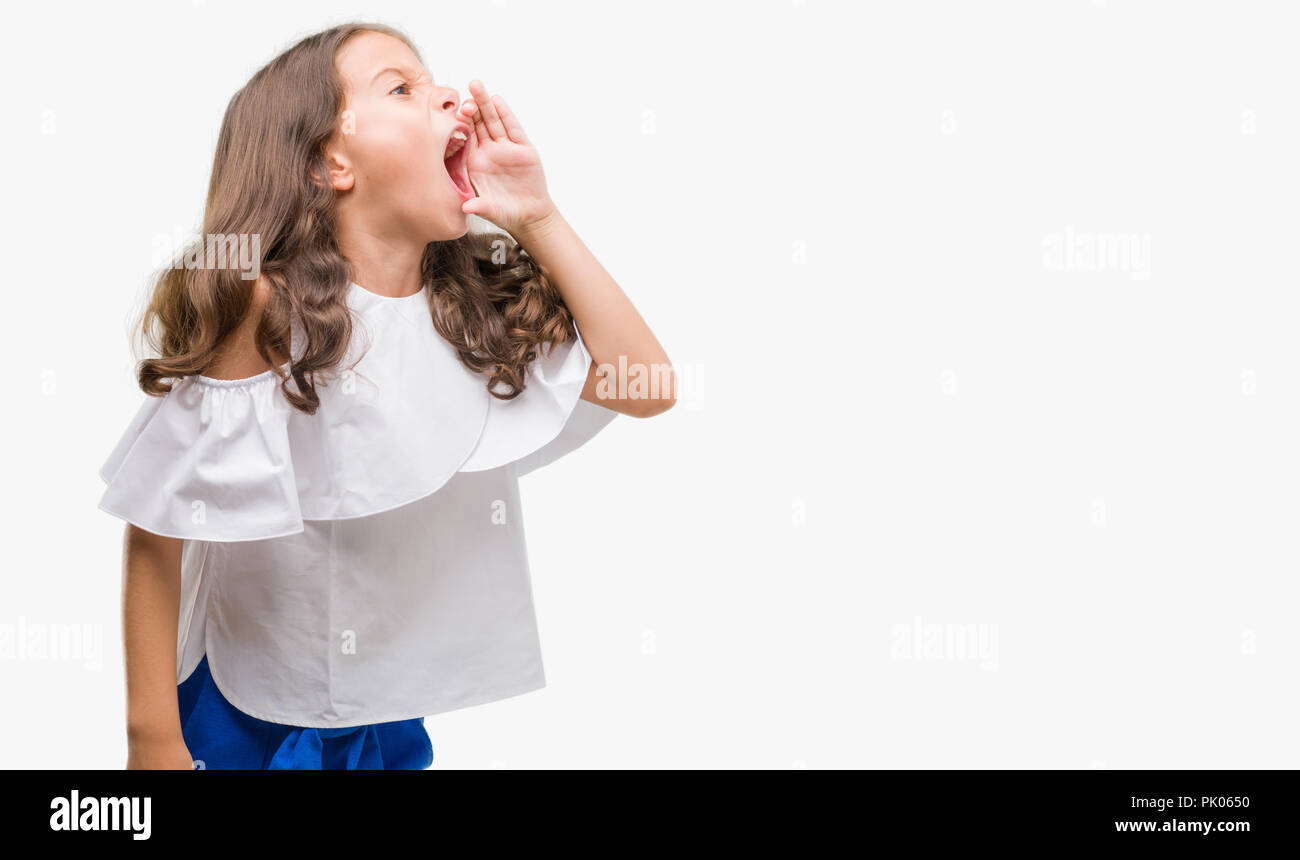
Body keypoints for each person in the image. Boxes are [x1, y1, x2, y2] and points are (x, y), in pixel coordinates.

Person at [99, 21, 676, 770]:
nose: (449, 96)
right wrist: (151, 740)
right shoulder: (265, 308)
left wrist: (538, 216)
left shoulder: (469, 312)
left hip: (389, 710)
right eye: (401, 88)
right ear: (329, 162)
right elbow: (158, 525)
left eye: (432, 80)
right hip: (251, 708)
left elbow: (649, 385)